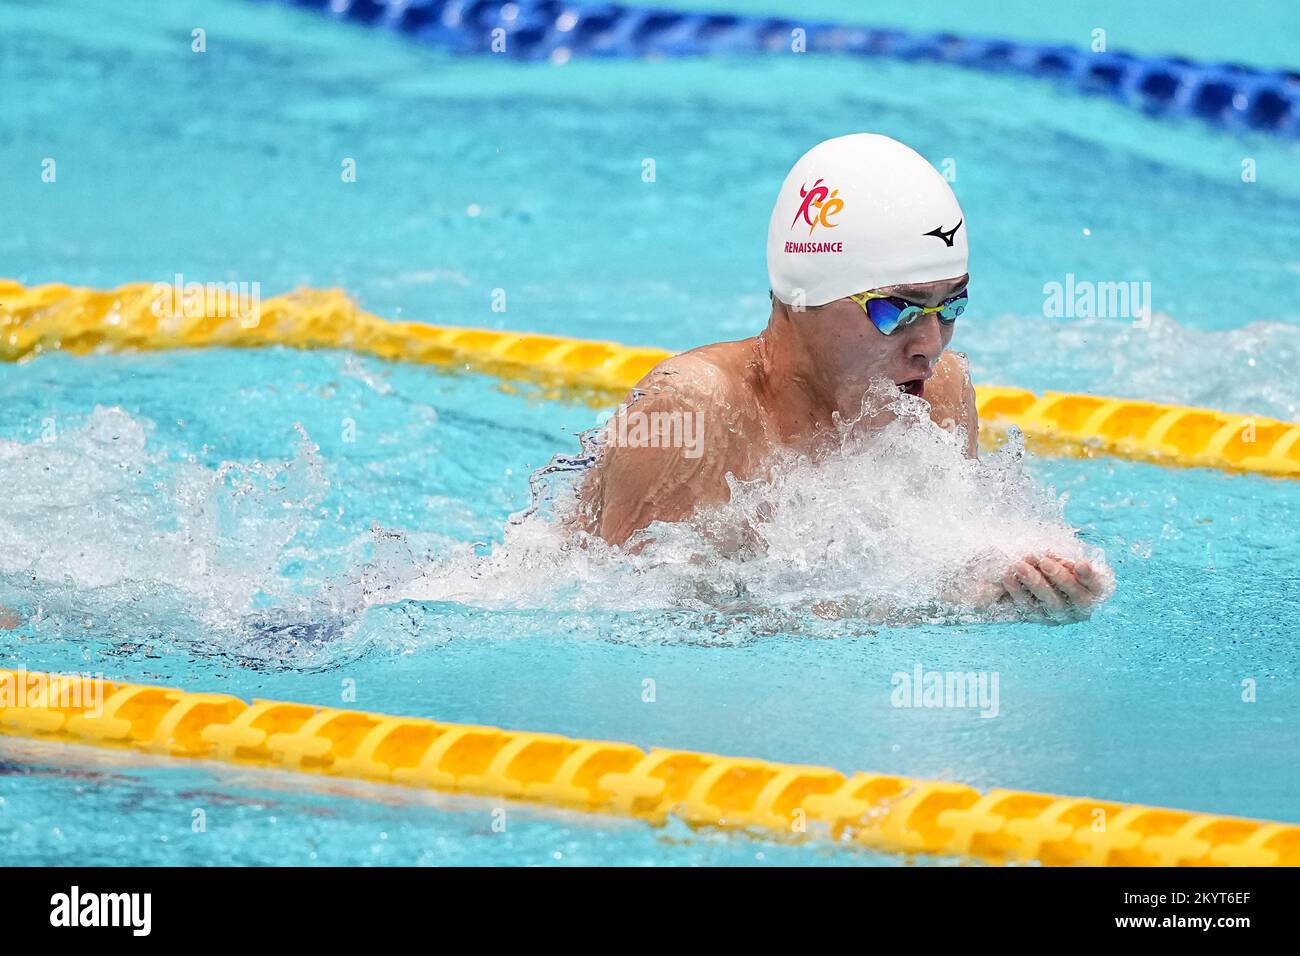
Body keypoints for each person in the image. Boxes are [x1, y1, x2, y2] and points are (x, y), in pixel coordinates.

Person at [575, 133, 1110, 618]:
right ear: (806, 300)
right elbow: (630, 627)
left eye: (951, 306)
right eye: (896, 309)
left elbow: (945, 554)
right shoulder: (693, 409)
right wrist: (931, 602)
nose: (930, 347)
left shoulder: (938, 391)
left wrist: (1031, 585)